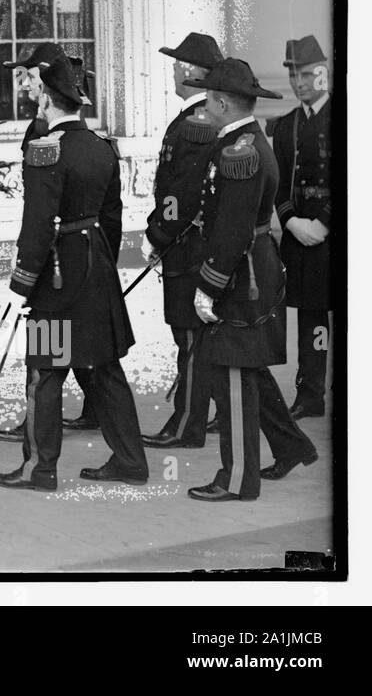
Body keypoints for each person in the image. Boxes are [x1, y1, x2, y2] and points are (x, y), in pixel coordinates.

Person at [0, 55, 147, 492]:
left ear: (47, 98)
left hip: (55, 279)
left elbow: (38, 224)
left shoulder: (46, 151)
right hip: (95, 267)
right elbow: (113, 220)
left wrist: (21, 283)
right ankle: (131, 460)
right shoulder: (102, 148)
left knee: (45, 369)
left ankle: (38, 470)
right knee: (103, 365)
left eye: (39, 94)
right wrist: (98, 260)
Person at [183, 59, 317, 501]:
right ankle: (292, 445)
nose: (206, 106)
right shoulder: (248, 140)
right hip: (254, 267)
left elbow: (234, 229)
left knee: (233, 372)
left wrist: (209, 285)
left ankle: (239, 478)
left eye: (209, 100)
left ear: (222, 103)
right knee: (250, 367)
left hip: (243, 276)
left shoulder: (239, 152)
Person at [0, 43, 98, 444]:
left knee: (49, 345)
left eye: (31, 78)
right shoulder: (40, 127)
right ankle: (91, 410)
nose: (27, 86)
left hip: (55, 255)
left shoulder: (54, 130)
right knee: (68, 340)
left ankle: (41, 427)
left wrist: (26, 267)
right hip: (67, 252)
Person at [141, 32, 224, 449]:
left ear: (192, 71)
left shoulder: (197, 125)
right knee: (192, 336)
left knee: (188, 335)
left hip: (187, 249)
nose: (173, 70)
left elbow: (181, 195)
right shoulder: (200, 119)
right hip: (188, 245)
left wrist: (158, 234)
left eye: (177, 63)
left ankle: (188, 424)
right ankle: (204, 415)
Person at [272, 35, 333, 419]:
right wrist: (291, 221)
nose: (300, 82)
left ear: (323, 72)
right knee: (311, 314)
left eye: (307, 74)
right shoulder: (286, 125)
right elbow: (279, 182)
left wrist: (325, 223)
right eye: (293, 75)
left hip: (333, 235)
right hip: (299, 234)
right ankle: (310, 394)